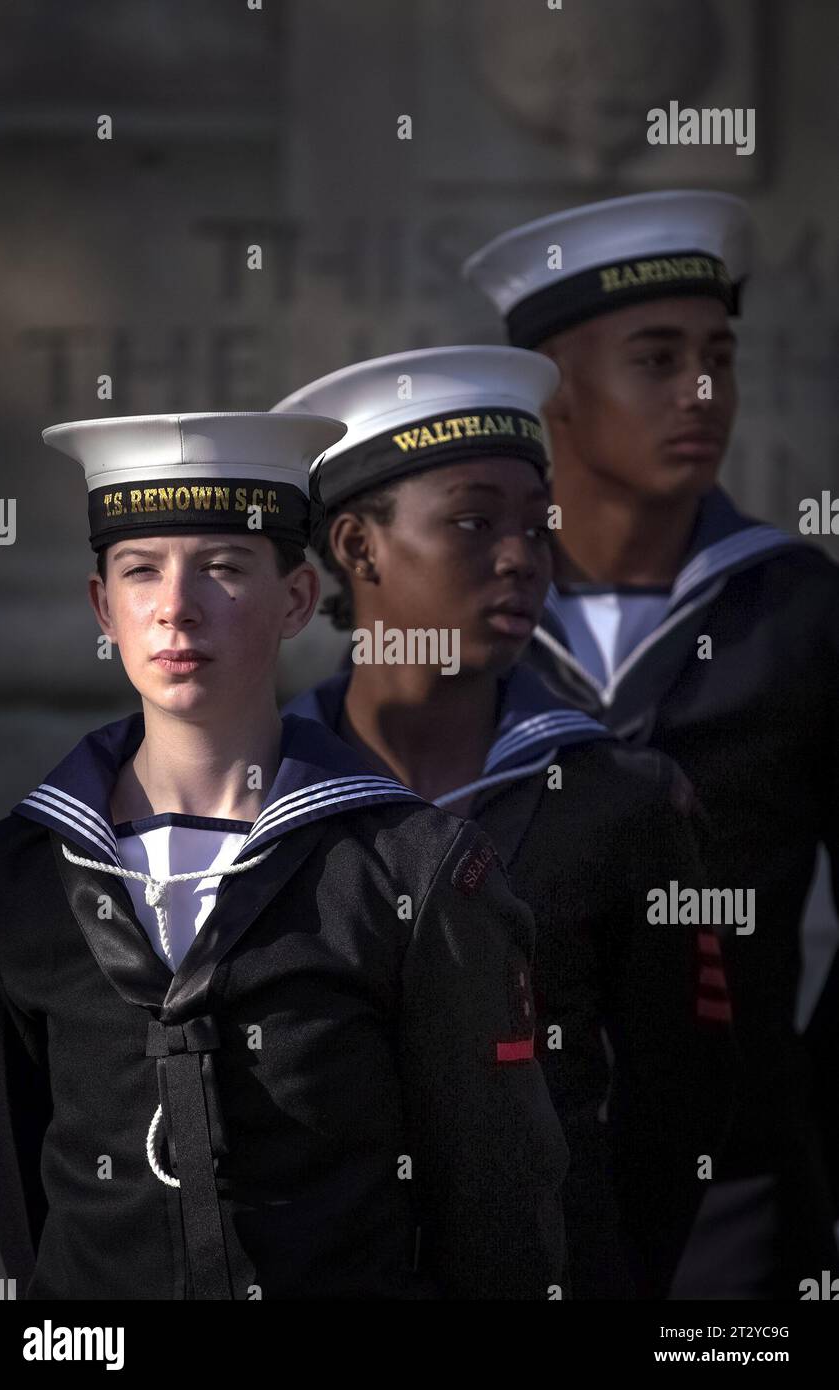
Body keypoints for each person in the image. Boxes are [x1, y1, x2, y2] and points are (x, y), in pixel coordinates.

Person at [0, 410, 569, 1301]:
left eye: (222, 567)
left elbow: (493, 1195)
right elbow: (20, 1186)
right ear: (103, 606)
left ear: (295, 599)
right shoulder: (13, 876)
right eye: (141, 570)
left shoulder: (408, 868)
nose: (176, 607)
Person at [273, 346, 736, 1299]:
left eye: (537, 525)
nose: (524, 558)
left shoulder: (621, 798)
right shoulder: (261, 799)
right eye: (475, 522)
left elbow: (679, 1101)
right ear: (357, 547)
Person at [463, 189, 839, 1297]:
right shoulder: (449, 627)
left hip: (737, 1197)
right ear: (555, 392)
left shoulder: (799, 610)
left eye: (718, 357)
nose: (701, 394)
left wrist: (800, 1117)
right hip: (496, 1189)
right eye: (657, 359)